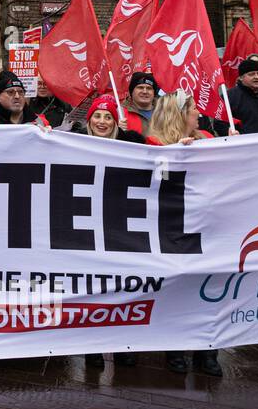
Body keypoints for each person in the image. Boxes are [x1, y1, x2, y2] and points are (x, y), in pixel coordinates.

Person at [148, 90, 221, 377]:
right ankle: (176, 348)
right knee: (178, 290)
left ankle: (209, 350)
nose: (199, 114)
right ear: (179, 114)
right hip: (174, 229)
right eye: (192, 109)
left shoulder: (210, 139)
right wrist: (176, 155)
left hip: (208, 226)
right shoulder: (154, 144)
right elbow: (154, 183)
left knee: (211, 290)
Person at [77, 94, 142, 371]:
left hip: (119, 228)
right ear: (89, 120)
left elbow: (165, 153)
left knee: (121, 291)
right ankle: (93, 348)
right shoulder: (75, 143)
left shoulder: (131, 144)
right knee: (92, 293)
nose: (102, 122)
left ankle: (122, 345)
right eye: (98, 116)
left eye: (108, 117)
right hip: (87, 228)